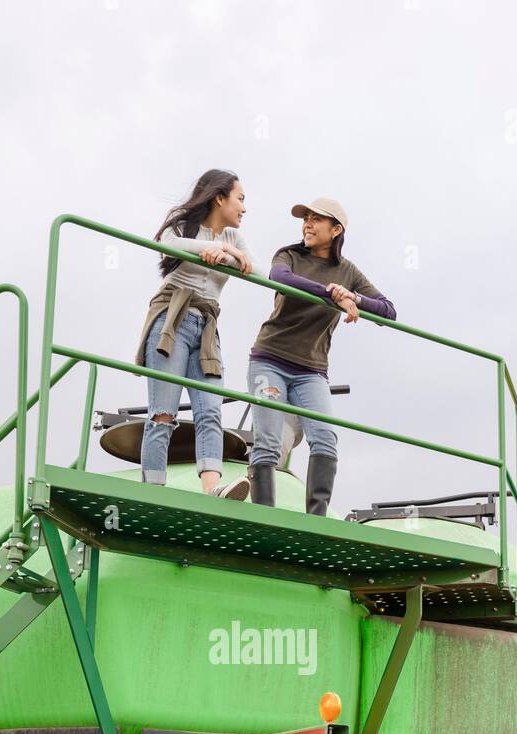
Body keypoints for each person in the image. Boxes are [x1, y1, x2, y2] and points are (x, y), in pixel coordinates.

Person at [246, 197, 397, 514]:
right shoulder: (288, 254)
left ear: (336, 229)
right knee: (269, 441)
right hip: (270, 360)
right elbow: (280, 278)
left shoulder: (348, 271)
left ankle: (315, 519)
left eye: (316, 219)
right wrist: (332, 294)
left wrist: (352, 296)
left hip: (311, 371)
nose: (308, 224)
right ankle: (263, 516)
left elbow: (388, 310)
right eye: (306, 219)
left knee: (326, 438)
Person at [135, 169, 259, 499]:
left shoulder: (235, 240)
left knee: (211, 411)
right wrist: (216, 248)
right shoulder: (183, 224)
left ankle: (213, 489)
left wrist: (230, 255)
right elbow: (168, 244)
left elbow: (256, 270)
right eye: (240, 199)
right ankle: (153, 491)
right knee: (163, 413)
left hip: (206, 328)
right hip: (172, 322)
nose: (244, 208)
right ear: (220, 198)